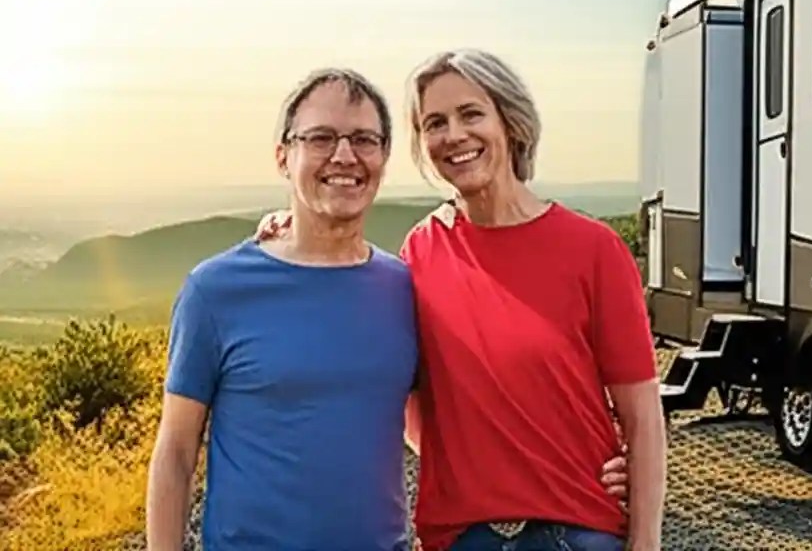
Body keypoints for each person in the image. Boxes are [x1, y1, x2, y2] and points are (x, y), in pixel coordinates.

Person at [145, 68, 629, 551]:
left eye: (364, 140)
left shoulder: (404, 285)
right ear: (283, 156)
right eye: (321, 138)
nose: (344, 156)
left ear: (383, 158)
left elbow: (475, 402)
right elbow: (176, 453)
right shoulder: (216, 291)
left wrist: (582, 466)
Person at [258, 48, 667, 551]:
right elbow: (393, 381)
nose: (453, 135)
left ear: (510, 123)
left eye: (471, 114)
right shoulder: (421, 251)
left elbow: (643, 415)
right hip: (461, 539)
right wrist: (296, 232)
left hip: (577, 533)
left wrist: (644, 539)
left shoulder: (594, 250)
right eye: (435, 123)